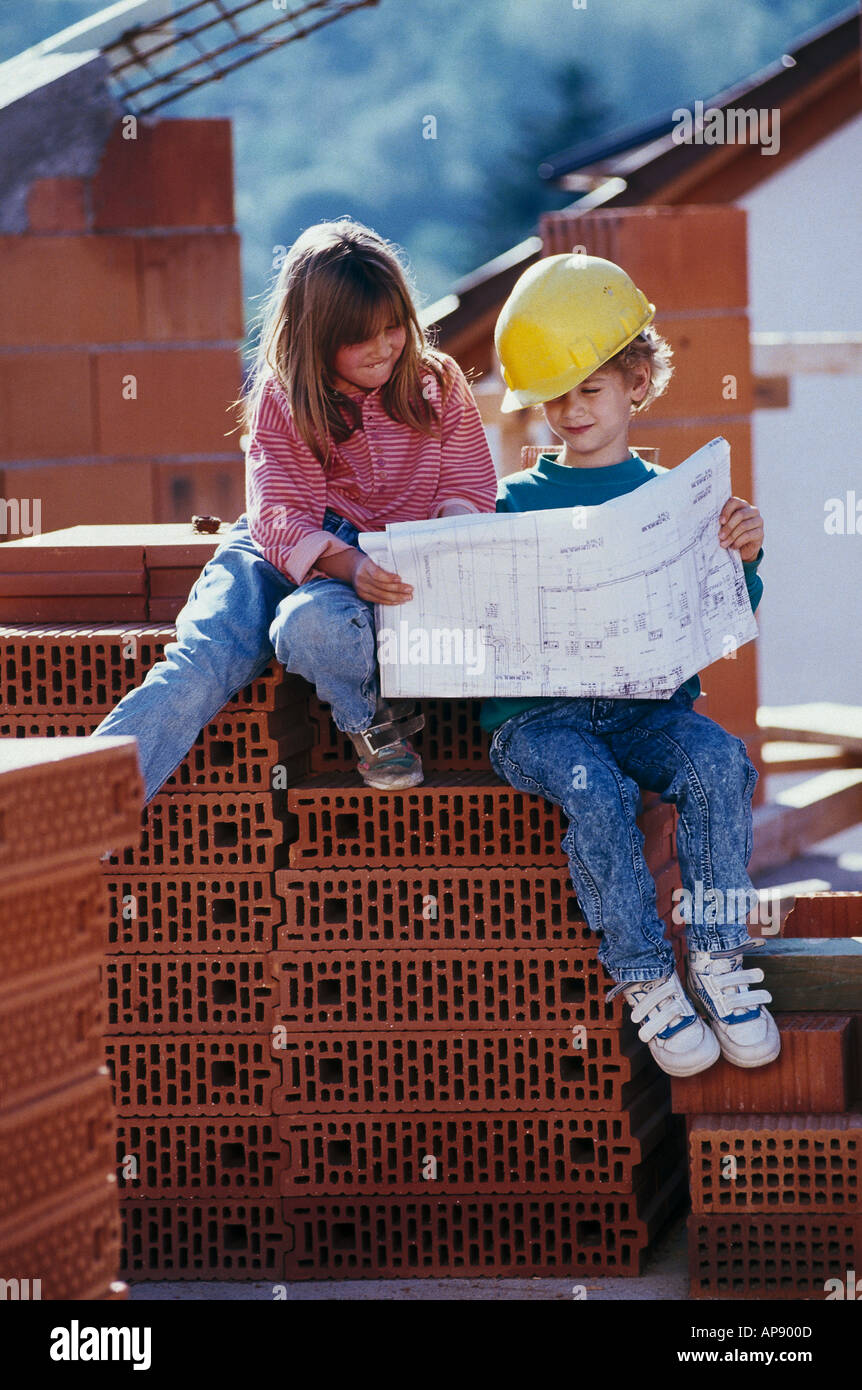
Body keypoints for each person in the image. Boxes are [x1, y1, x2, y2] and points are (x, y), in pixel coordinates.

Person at [484, 252, 779, 1077]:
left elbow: (724, 613)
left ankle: (717, 957)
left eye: (591, 389)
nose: (572, 411)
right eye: (556, 397)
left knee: (720, 761)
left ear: (638, 383)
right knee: (597, 790)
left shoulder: (677, 501)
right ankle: (648, 977)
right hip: (538, 722)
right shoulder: (508, 504)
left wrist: (744, 554)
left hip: (647, 708)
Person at [89, 218, 498, 803]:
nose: (383, 347)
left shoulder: (435, 383)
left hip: (381, 558)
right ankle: (83, 810)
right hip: (275, 550)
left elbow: (466, 483)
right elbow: (280, 516)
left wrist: (445, 533)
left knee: (313, 627)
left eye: (393, 327)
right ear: (315, 336)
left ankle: (369, 719)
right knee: (202, 662)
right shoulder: (283, 396)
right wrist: (349, 564)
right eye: (360, 337)